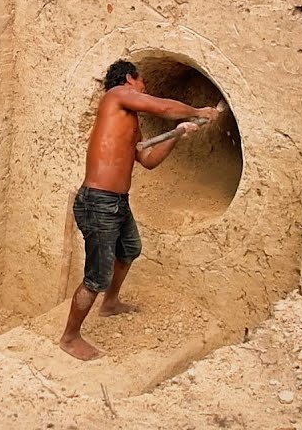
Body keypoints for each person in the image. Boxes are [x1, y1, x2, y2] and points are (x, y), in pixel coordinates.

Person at [59, 59, 219, 361]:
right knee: (96, 276)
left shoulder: (127, 123)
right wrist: (198, 112)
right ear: (130, 79)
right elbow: (162, 107)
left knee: (130, 248)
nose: (144, 88)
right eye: (142, 82)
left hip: (117, 202)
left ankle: (111, 303)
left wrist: (176, 134)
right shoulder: (115, 96)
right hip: (98, 201)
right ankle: (69, 338)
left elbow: (147, 160)